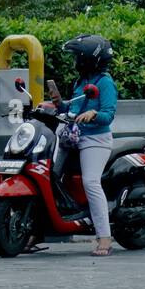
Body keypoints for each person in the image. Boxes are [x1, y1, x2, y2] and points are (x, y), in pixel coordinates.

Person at [44, 34, 118, 256]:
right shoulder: (81, 82)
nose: (75, 62)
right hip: (72, 136)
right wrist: (55, 104)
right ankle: (33, 234)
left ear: (89, 59)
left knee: (91, 182)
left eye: (78, 57)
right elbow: (71, 108)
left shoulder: (104, 83)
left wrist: (94, 113)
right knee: (47, 175)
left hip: (95, 139)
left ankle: (104, 237)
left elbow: (108, 114)